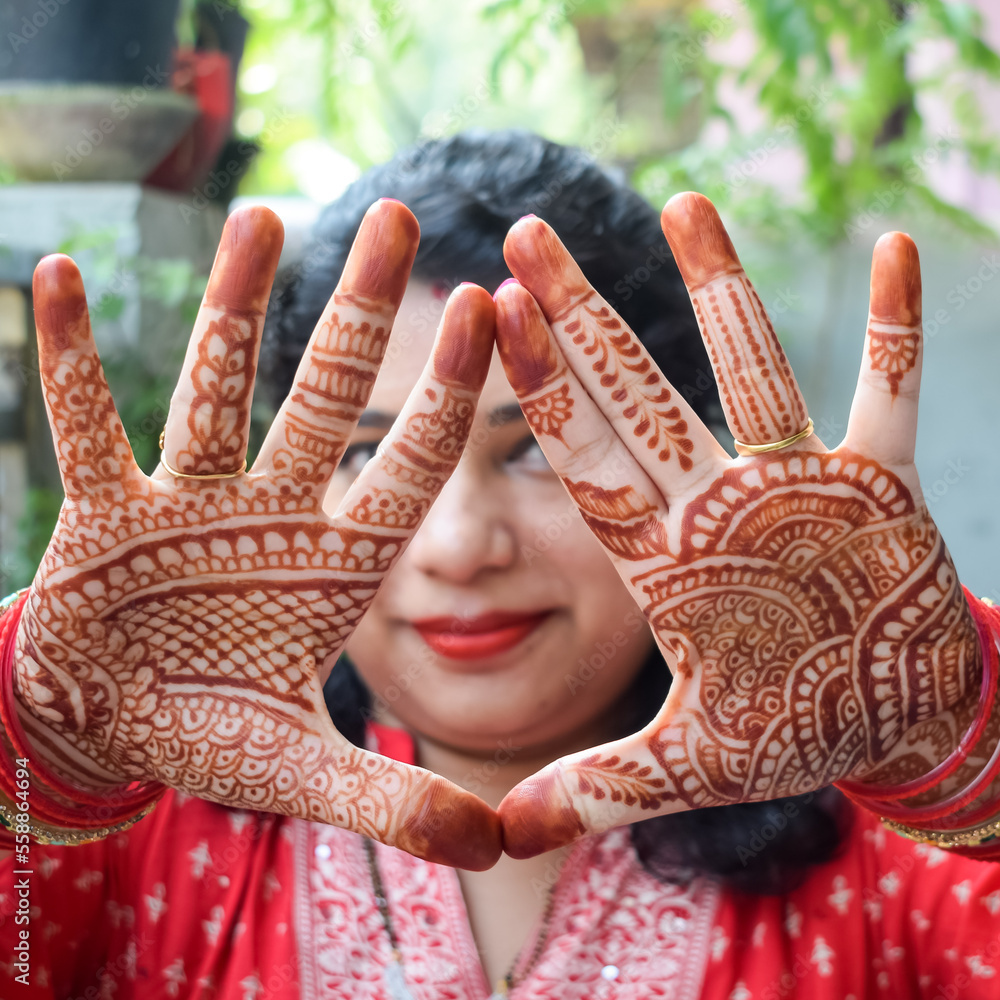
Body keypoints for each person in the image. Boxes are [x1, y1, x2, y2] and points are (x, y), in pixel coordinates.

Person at [1, 129, 999, 1000]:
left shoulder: (905, 848)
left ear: (687, 461)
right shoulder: (132, 843)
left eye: (535, 449)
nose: (456, 545)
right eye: (372, 456)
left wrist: (966, 736)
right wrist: (35, 728)